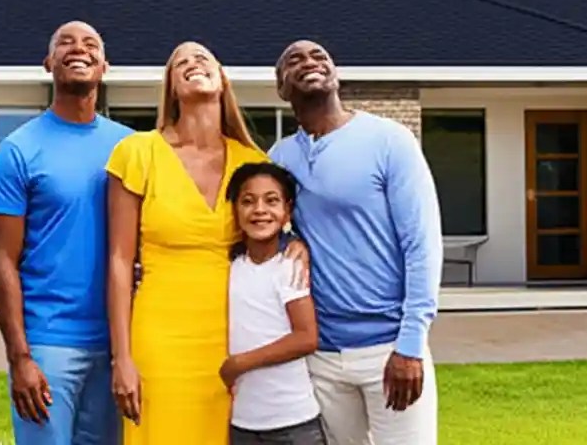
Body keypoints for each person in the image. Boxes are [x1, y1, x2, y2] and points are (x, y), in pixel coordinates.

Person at [105, 41, 309, 445]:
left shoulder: (253, 162)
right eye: (180, 62)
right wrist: (122, 357)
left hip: (234, 337)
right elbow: (119, 260)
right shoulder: (137, 152)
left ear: (222, 80)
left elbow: (272, 222)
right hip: (160, 337)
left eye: (203, 59)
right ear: (171, 88)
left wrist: (297, 241)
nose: (192, 64)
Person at [268, 40, 444, 445]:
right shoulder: (279, 158)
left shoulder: (389, 140)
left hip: (389, 348)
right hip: (321, 357)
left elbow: (421, 245)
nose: (310, 62)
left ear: (336, 75)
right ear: (282, 88)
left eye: (319, 57)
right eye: (295, 60)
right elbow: (263, 233)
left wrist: (412, 344)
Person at [0, 20, 133, 445]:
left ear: (105, 66)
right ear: (49, 63)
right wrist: (20, 358)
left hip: (117, 346)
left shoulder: (131, 149)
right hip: (48, 347)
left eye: (90, 44)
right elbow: (2, 261)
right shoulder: (19, 150)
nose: (78, 49)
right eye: (65, 43)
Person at [219, 161, 325, 445]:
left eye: (272, 201)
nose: (260, 210)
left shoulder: (289, 265)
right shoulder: (232, 266)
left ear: (287, 211)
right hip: (243, 423)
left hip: (292, 424)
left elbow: (306, 337)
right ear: (235, 210)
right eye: (248, 201)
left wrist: (239, 364)